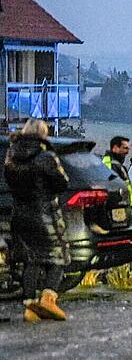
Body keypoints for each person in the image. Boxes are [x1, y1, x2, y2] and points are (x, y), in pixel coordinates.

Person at [4, 119, 70, 322]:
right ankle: (48, 299)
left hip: (20, 214)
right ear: (43, 134)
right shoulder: (46, 156)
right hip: (45, 213)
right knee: (58, 257)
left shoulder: (11, 156)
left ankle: (30, 306)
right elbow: (62, 183)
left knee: (31, 259)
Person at [103, 136, 132, 205]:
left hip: (124, 206)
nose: (127, 152)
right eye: (125, 148)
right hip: (116, 207)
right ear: (115, 148)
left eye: (128, 149)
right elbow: (111, 188)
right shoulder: (109, 164)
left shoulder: (118, 165)